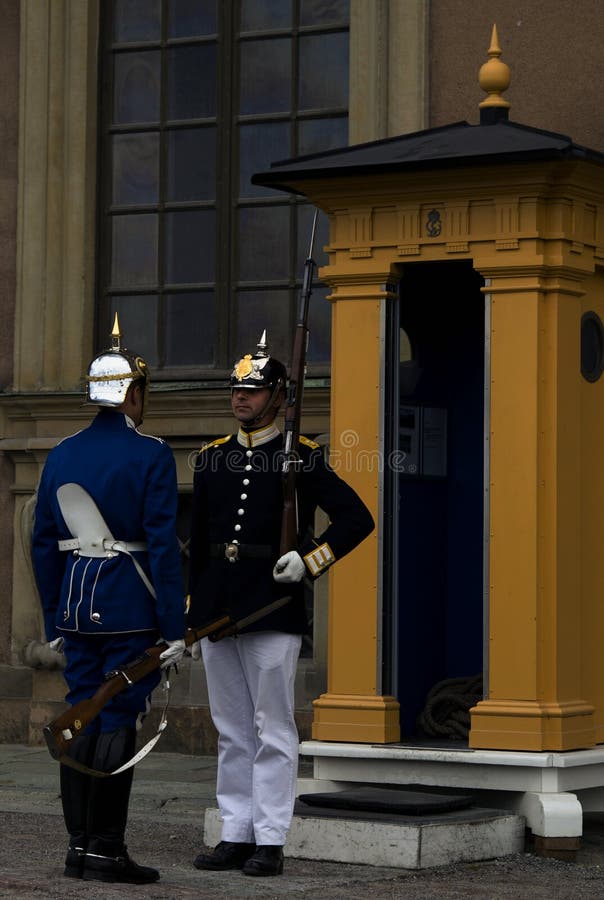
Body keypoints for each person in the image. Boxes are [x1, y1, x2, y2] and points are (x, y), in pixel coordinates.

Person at [187, 333, 375, 877]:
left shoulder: (303, 457)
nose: (240, 399)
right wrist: (195, 618)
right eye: (236, 390)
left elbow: (357, 520)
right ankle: (236, 832)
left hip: (271, 609)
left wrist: (310, 560)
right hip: (221, 614)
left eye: (252, 391)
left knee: (273, 727)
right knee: (231, 728)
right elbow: (199, 546)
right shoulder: (211, 459)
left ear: (278, 397)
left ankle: (270, 837)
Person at [31, 315, 186, 885]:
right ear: (133, 394)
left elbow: (43, 542)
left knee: (80, 713)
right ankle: (105, 849)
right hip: (129, 606)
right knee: (116, 712)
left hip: (75, 606)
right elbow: (163, 547)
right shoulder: (151, 454)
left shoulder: (63, 453)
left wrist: (54, 616)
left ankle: (78, 847)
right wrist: (174, 626)